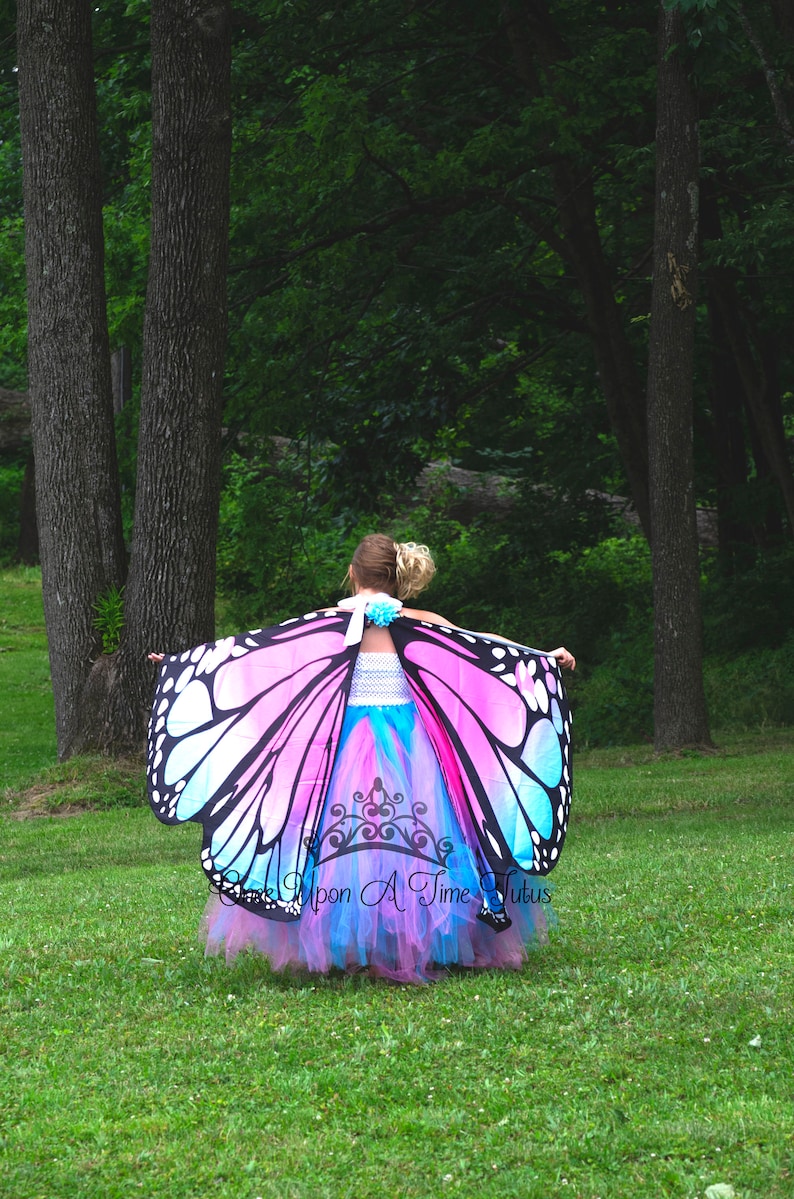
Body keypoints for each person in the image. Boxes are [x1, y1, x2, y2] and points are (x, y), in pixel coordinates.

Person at [148, 534, 575, 984]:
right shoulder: (418, 620)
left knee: (341, 842)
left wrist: (181, 664)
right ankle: (426, 938)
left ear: (352, 575)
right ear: (397, 576)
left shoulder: (329, 621)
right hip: (416, 748)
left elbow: (260, 652)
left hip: (342, 747)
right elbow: (481, 648)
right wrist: (542, 657)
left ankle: (351, 946)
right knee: (429, 837)